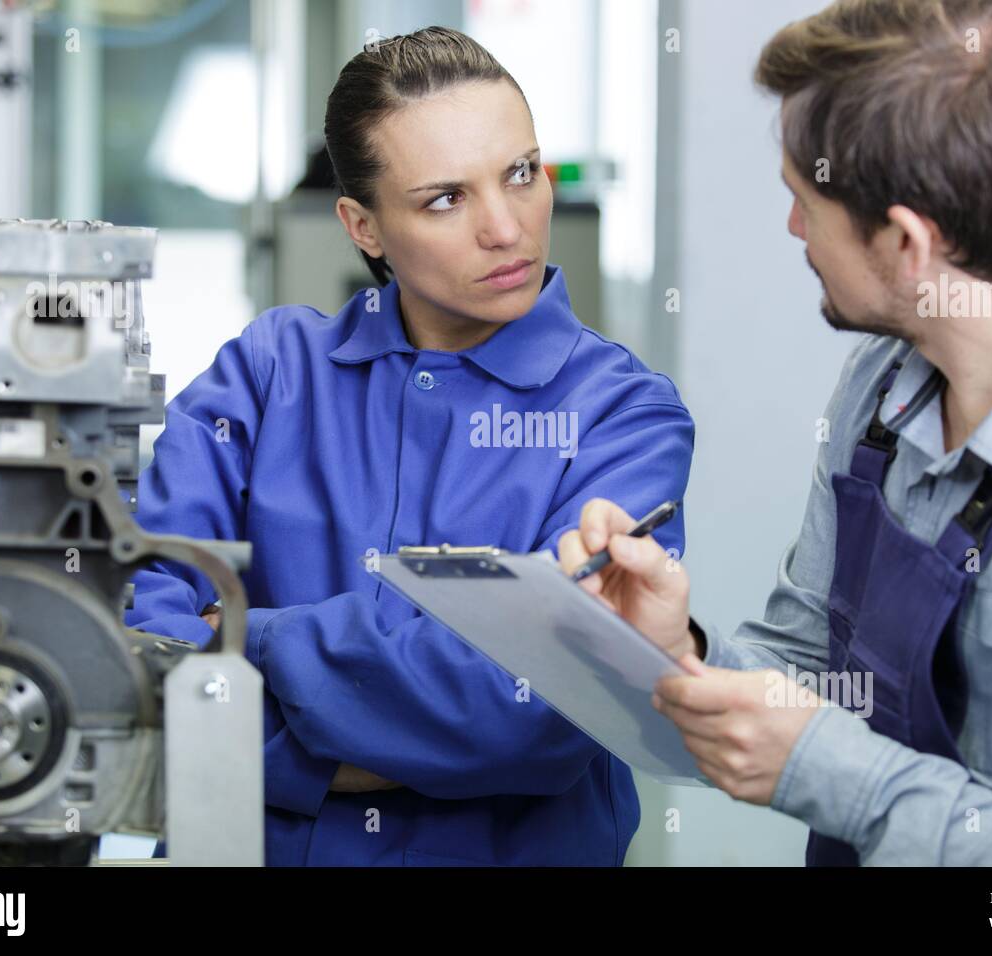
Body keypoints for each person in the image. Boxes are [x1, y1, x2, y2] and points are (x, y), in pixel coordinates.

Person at [560, 0, 992, 865]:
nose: (792, 228)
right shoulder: (884, 383)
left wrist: (823, 768)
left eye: (803, 200)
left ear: (908, 242)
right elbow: (819, 679)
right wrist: (681, 650)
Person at [125, 27, 694, 866]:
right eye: (445, 199)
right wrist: (405, 711)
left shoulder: (625, 415)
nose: (507, 229)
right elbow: (144, 661)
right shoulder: (266, 372)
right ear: (364, 227)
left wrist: (249, 641)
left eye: (521, 173)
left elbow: (537, 711)